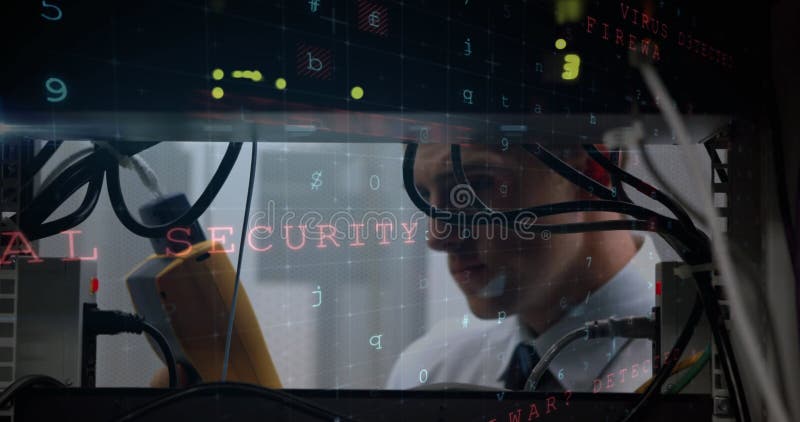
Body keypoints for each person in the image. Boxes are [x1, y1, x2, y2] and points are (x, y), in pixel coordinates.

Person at [384, 143, 660, 392]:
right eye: (424, 194)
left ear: (591, 169)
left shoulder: (682, 372)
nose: (437, 237)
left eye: (477, 184)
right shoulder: (427, 372)